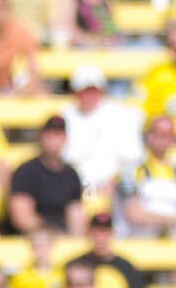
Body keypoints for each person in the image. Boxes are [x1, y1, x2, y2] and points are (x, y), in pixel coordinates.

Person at [61, 65, 143, 203]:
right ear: (74, 92)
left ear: (102, 91)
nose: (88, 96)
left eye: (93, 91)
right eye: (83, 91)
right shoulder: (65, 115)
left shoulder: (121, 116)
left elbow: (133, 158)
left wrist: (113, 183)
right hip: (75, 188)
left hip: (115, 188)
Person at [114, 115, 176, 238]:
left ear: (174, 139)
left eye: (167, 134)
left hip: (175, 240)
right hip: (137, 239)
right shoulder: (132, 169)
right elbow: (134, 214)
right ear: (148, 135)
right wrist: (172, 220)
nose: (162, 139)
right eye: (158, 133)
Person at [64, 210, 146, 288]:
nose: (101, 237)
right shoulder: (75, 264)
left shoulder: (126, 267)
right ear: (89, 233)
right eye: (97, 232)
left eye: (105, 232)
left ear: (112, 234)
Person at [9, 116, 86, 236]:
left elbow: (76, 216)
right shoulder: (26, 171)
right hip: (32, 239)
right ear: (40, 137)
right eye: (49, 136)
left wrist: (73, 241)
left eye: (58, 135)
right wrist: (52, 233)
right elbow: (21, 218)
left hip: (63, 239)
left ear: (65, 139)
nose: (53, 141)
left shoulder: (71, 175)